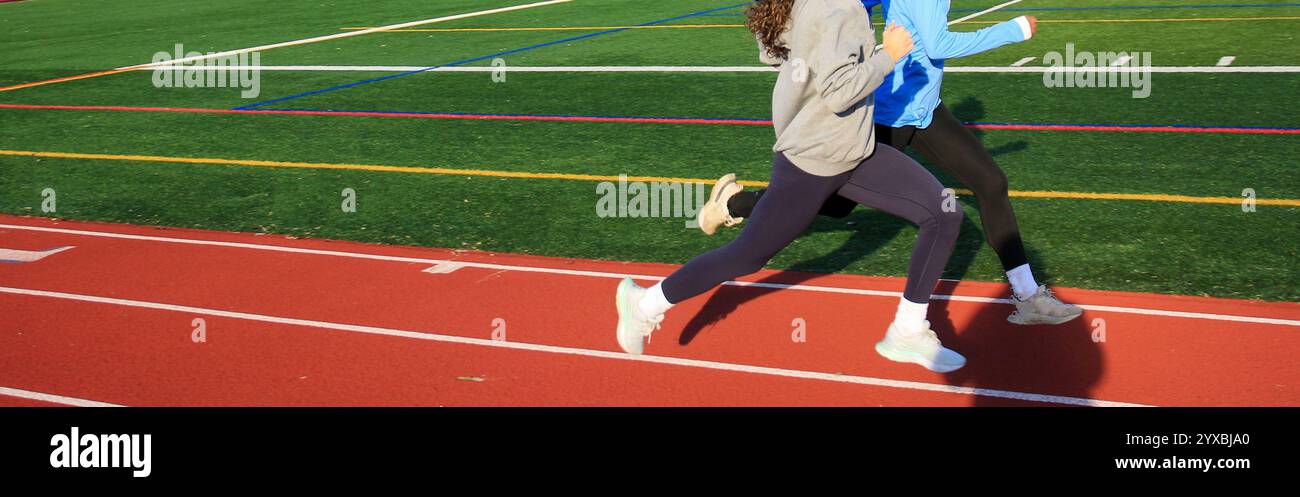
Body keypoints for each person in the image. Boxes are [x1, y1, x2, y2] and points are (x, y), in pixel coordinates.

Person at [615, 0, 967, 373]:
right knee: (747, 256)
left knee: (943, 214)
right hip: (812, 161)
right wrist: (888, 56)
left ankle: (908, 331)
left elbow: (770, 52)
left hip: (854, 152)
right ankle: (643, 304)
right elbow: (838, 93)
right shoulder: (839, 9)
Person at [697, 0, 1082, 325]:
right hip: (884, 117)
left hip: (926, 112)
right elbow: (936, 42)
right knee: (829, 204)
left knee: (991, 183)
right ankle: (733, 204)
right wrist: (1013, 30)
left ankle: (1028, 296)